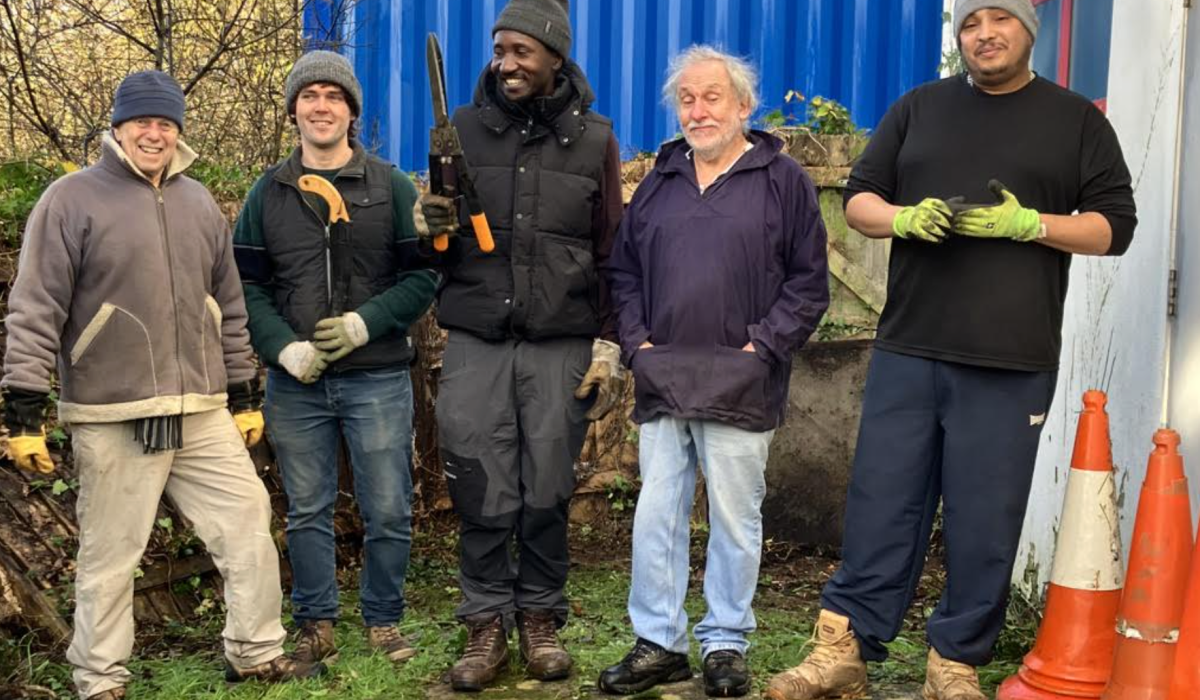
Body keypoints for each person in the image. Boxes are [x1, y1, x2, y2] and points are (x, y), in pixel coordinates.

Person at [765, 2, 1137, 699]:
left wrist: (1031, 225)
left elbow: (1114, 228)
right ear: (959, 35)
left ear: (1031, 30)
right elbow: (860, 202)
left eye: (1000, 18)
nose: (985, 33)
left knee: (984, 517)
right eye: (970, 22)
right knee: (881, 501)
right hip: (911, 346)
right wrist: (903, 216)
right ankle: (842, 649)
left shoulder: (1075, 121)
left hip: (1012, 358)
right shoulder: (918, 108)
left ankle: (953, 663)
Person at [2, 70, 326, 700]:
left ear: (179, 131)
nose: (155, 133)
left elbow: (228, 303)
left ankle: (255, 651)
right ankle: (99, 680)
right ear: (118, 127)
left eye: (166, 123)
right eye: (142, 122)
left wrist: (242, 392)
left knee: (246, 522)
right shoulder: (71, 199)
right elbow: (35, 304)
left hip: (201, 409)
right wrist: (22, 406)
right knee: (111, 554)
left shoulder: (198, 201)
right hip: (113, 410)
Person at [597, 45, 830, 698]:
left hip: (741, 380)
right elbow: (624, 274)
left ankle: (726, 641)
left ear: (743, 106)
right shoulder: (660, 183)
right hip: (663, 377)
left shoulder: (783, 182)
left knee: (734, 517)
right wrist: (637, 344)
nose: (698, 111)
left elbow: (809, 285)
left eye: (712, 97)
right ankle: (659, 642)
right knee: (658, 515)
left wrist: (762, 349)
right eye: (687, 99)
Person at [414, 0, 625, 690]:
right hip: (475, 338)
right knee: (479, 482)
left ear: (554, 58)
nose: (506, 64)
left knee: (547, 488)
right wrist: (432, 224)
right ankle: (483, 625)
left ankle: (538, 617)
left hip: (559, 344)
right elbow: (437, 251)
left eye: (522, 52)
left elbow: (613, 251)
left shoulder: (595, 140)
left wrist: (609, 346)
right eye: (500, 50)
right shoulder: (462, 130)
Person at [233, 51, 439, 666]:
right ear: (294, 109)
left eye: (334, 96)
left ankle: (384, 621)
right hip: (297, 386)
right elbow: (246, 286)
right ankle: (315, 624)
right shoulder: (268, 193)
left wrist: (363, 323)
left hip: (376, 376)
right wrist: (283, 348)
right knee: (306, 509)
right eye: (310, 95)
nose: (321, 106)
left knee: (387, 506)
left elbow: (423, 276)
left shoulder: (391, 186)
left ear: (351, 111)